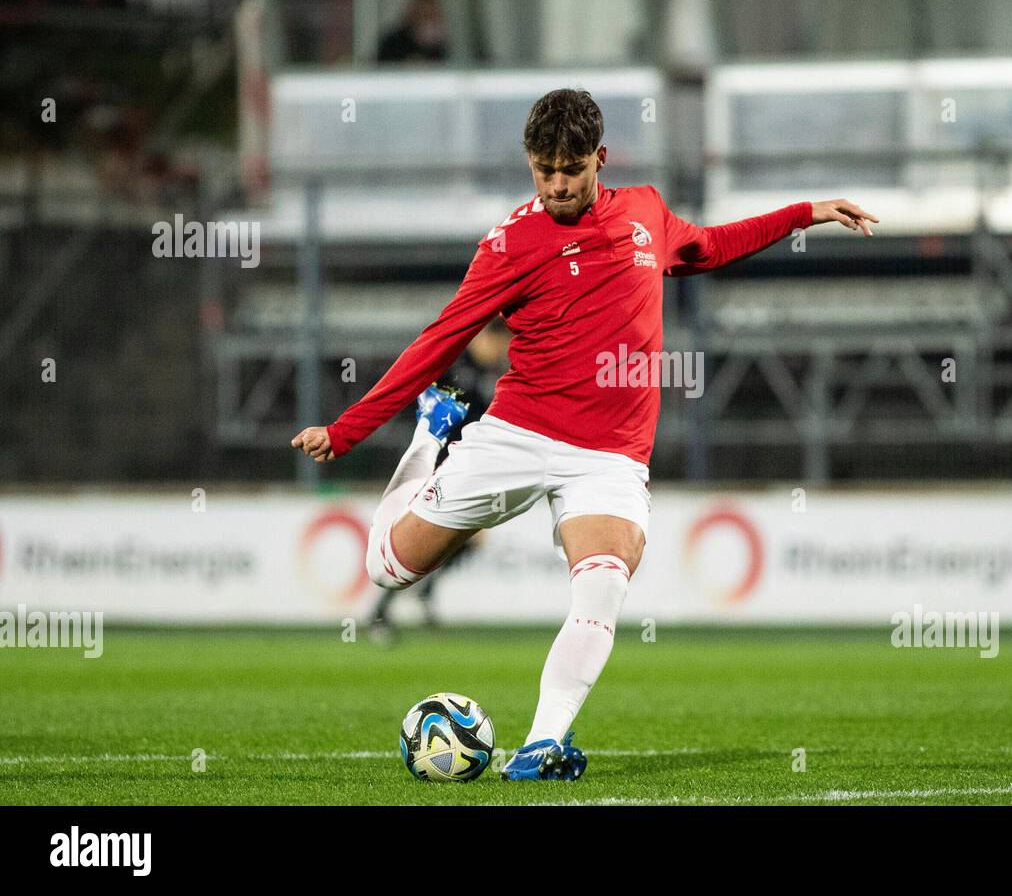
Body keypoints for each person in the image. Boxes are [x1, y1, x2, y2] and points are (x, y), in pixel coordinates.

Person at [291, 88, 877, 781]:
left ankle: (540, 745)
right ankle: (431, 433)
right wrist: (349, 429)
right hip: (516, 433)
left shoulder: (644, 214)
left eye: (572, 169)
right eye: (545, 171)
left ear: (600, 158)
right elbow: (440, 339)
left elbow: (708, 247)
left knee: (602, 585)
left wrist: (805, 212)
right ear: (530, 164)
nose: (559, 185)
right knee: (387, 568)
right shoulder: (510, 243)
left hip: (609, 457)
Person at [367, 320, 510, 643]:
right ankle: (381, 611)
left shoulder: (490, 371)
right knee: (416, 542)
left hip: (459, 467)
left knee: (466, 539)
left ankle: (419, 595)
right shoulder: (454, 367)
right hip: (433, 464)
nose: (503, 350)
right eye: (499, 342)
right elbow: (423, 410)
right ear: (484, 338)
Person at [377, 0, 449, 64]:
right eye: (424, 14)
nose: (428, 22)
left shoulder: (439, 46)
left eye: (432, 15)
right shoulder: (392, 43)